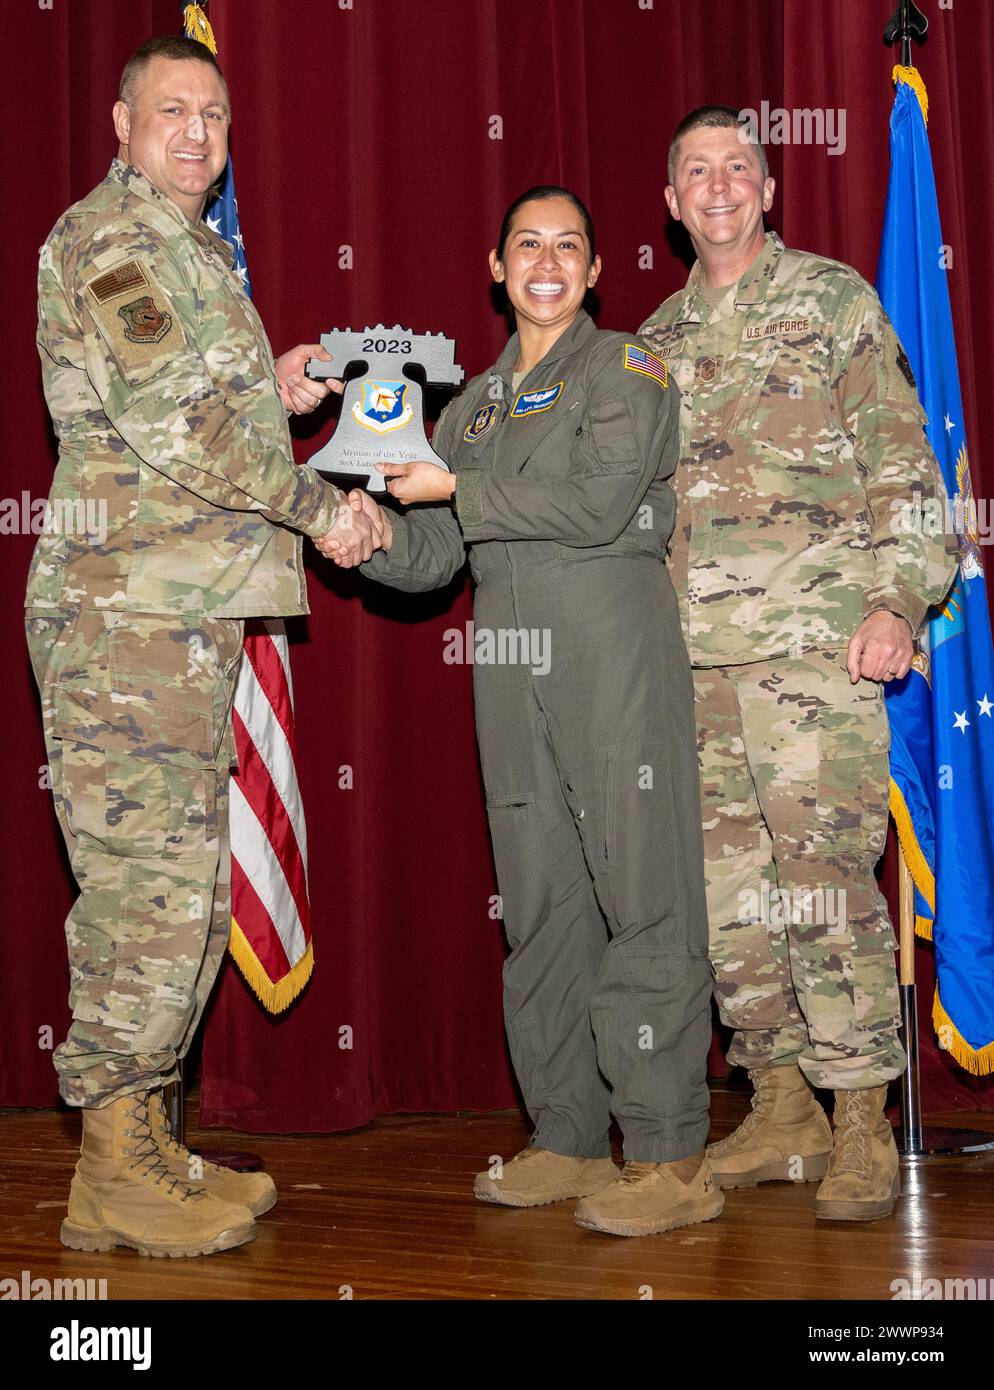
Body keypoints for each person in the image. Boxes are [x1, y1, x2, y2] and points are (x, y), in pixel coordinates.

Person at [27, 34, 381, 1258]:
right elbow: (178, 424)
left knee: (176, 899)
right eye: (171, 110)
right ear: (120, 123)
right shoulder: (110, 240)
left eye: (215, 116)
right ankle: (109, 1170)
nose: (196, 133)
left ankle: (141, 1148)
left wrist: (269, 384)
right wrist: (324, 505)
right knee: (141, 901)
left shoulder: (194, 258)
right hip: (126, 618)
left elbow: (197, 403)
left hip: (181, 616)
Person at [324, 186, 720, 1238]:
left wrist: (451, 488)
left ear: (595, 273)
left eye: (569, 247)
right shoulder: (468, 408)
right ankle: (567, 1135)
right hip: (505, 657)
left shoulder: (628, 368)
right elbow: (440, 558)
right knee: (540, 898)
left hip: (612, 646)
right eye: (525, 246)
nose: (546, 262)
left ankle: (671, 1149)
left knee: (644, 890)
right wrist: (368, 536)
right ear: (494, 268)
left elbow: (596, 503)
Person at [637, 106, 957, 1221]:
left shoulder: (832, 302)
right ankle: (780, 1107)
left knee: (822, 887)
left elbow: (905, 465)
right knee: (727, 901)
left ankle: (861, 1119)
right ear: (670, 203)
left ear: (766, 190)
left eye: (737, 168)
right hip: (690, 669)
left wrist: (893, 598)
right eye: (695, 173)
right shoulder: (654, 343)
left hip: (818, 656)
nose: (717, 187)